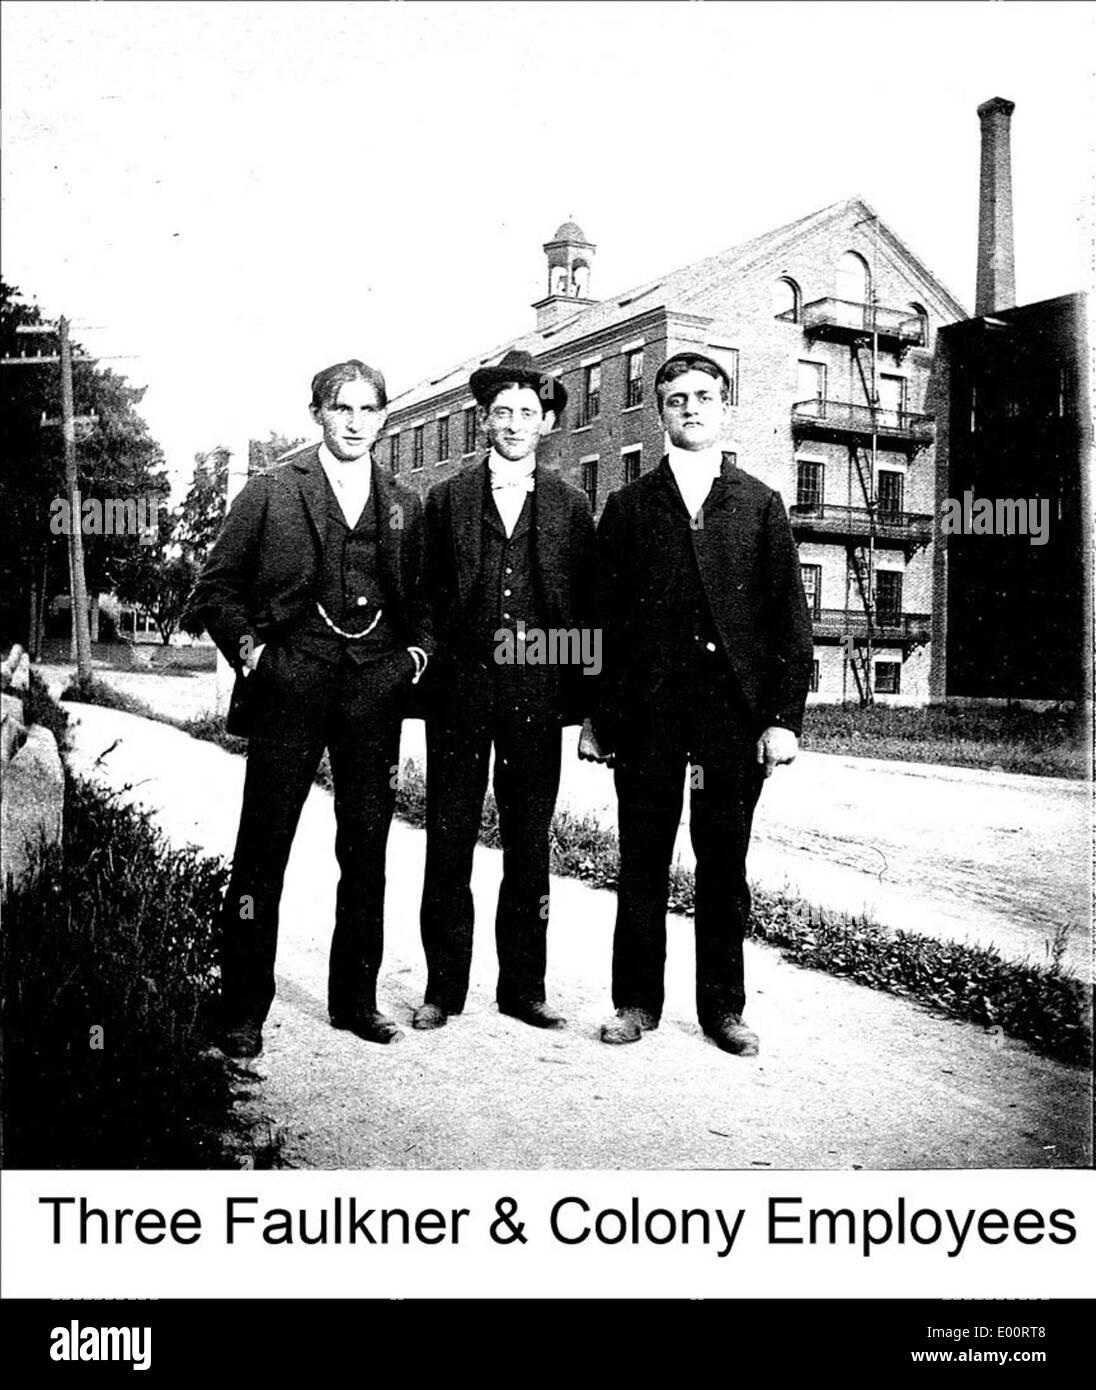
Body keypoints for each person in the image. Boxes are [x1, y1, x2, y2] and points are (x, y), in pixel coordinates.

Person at [185, 360, 433, 1057]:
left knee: (367, 851)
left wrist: (412, 661)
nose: (355, 422)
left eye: (368, 410)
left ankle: (356, 1000)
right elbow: (216, 591)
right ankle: (242, 1010)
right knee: (262, 851)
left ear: (384, 417)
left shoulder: (405, 503)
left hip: (374, 694)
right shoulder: (271, 490)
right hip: (290, 689)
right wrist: (258, 657)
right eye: (340, 408)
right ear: (317, 414)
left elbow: (429, 605)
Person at [580, 351, 813, 1056]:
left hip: (730, 720)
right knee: (643, 861)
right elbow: (599, 622)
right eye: (676, 398)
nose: (691, 408)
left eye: (704, 396)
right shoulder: (627, 507)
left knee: (723, 866)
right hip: (648, 717)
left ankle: (723, 1010)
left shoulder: (759, 502)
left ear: (724, 406)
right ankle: (634, 1003)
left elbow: (788, 624)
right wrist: (596, 715)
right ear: (659, 412)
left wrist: (781, 719)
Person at [413, 349, 596, 1032]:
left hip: (536, 699)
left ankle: (524, 988)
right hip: (459, 698)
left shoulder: (572, 504)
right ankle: (442, 991)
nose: (514, 423)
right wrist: (432, 663)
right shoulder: (447, 498)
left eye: (527, 411)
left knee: (528, 844)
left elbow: (585, 608)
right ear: (483, 419)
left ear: (544, 422)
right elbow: (424, 595)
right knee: (448, 841)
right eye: (502, 412)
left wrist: (581, 703)